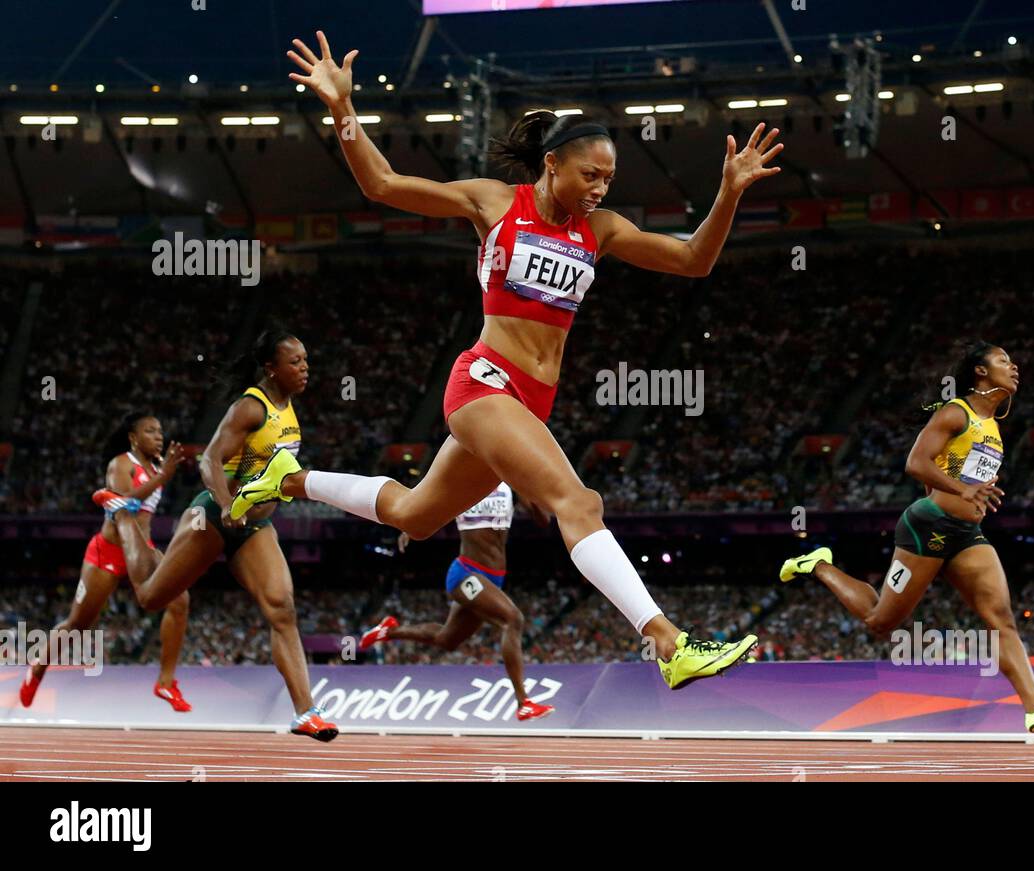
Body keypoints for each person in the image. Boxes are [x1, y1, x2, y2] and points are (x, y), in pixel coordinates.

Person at [231, 30, 785, 689]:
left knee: (416, 513)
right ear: (552, 164)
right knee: (578, 502)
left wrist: (728, 193)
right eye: (590, 174)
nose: (600, 188)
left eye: (609, 177)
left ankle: (289, 478)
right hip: (484, 384)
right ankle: (668, 642)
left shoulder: (599, 231)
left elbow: (695, 260)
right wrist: (342, 109)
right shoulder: (496, 202)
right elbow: (381, 183)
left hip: (532, 398)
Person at [780, 341, 1034, 733]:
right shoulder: (955, 412)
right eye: (1003, 361)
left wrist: (971, 494)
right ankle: (820, 564)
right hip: (928, 525)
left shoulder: (994, 426)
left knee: (1001, 619)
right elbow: (915, 463)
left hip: (966, 533)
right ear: (981, 372)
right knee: (881, 623)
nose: (1014, 368)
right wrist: (962, 490)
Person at [101, 329, 339, 741]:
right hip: (211, 516)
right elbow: (209, 460)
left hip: (255, 526)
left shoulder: (288, 409)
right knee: (151, 597)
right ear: (271, 368)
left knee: (282, 607)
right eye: (295, 362)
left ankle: (306, 712)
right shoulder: (251, 406)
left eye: (305, 360)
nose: (305, 368)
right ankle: (123, 515)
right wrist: (228, 505)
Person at [20, 413, 191, 711]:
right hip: (108, 552)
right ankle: (37, 668)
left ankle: (165, 683)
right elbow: (123, 506)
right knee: (79, 624)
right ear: (133, 438)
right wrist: (162, 477)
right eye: (150, 431)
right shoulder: (121, 464)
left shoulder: (157, 466)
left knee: (180, 601)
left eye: (160, 431)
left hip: (143, 550)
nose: (159, 436)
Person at [360, 483, 556, 720]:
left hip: (494, 579)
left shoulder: (510, 484)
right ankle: (523, 702)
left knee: (446, 639)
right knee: (512, 619)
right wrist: (410, 529)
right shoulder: (465, 484)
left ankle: (389, 631)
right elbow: (432, 508)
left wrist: (529, 491)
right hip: (465, 573)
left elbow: (544, 521)